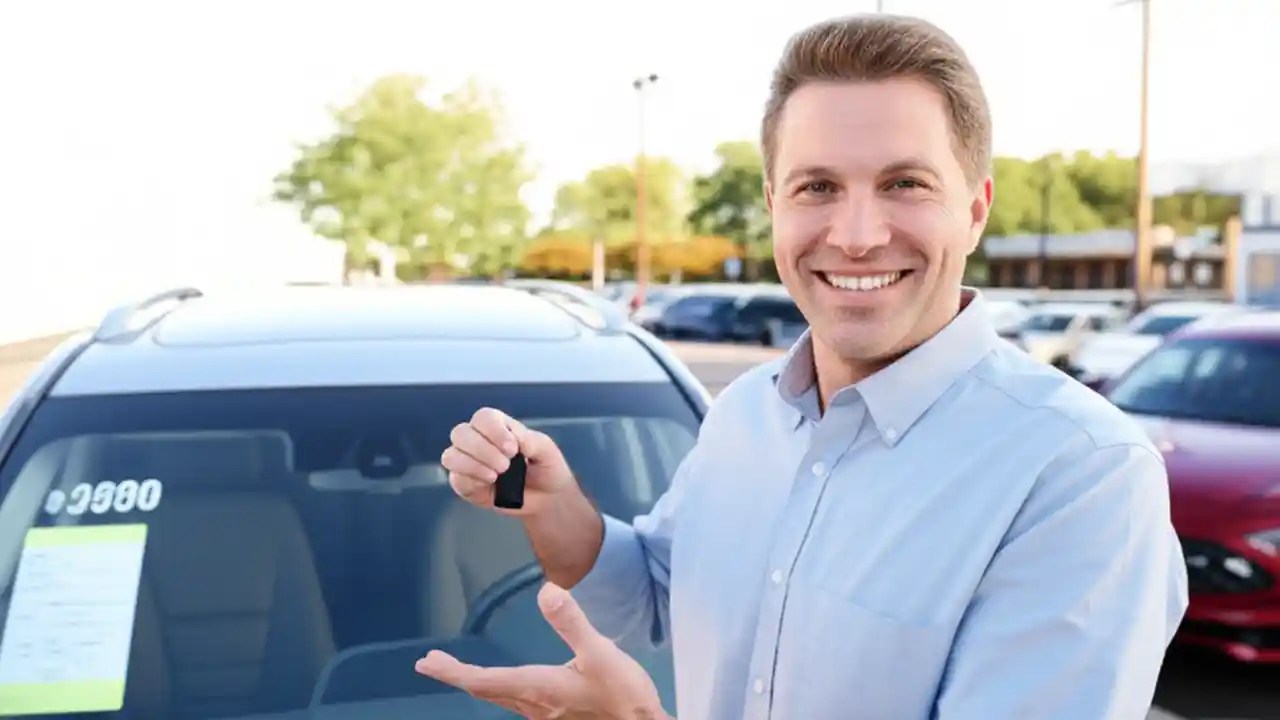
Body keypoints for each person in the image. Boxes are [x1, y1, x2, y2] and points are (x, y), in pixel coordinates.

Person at [419, 13, 1189, 720]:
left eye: (904, 184)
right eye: (817, 187)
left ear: (977, 208)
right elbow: (660, 592)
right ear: (774, 205)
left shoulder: (1081, 477)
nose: (855, 235)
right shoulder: (746, 413)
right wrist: (559, 510)